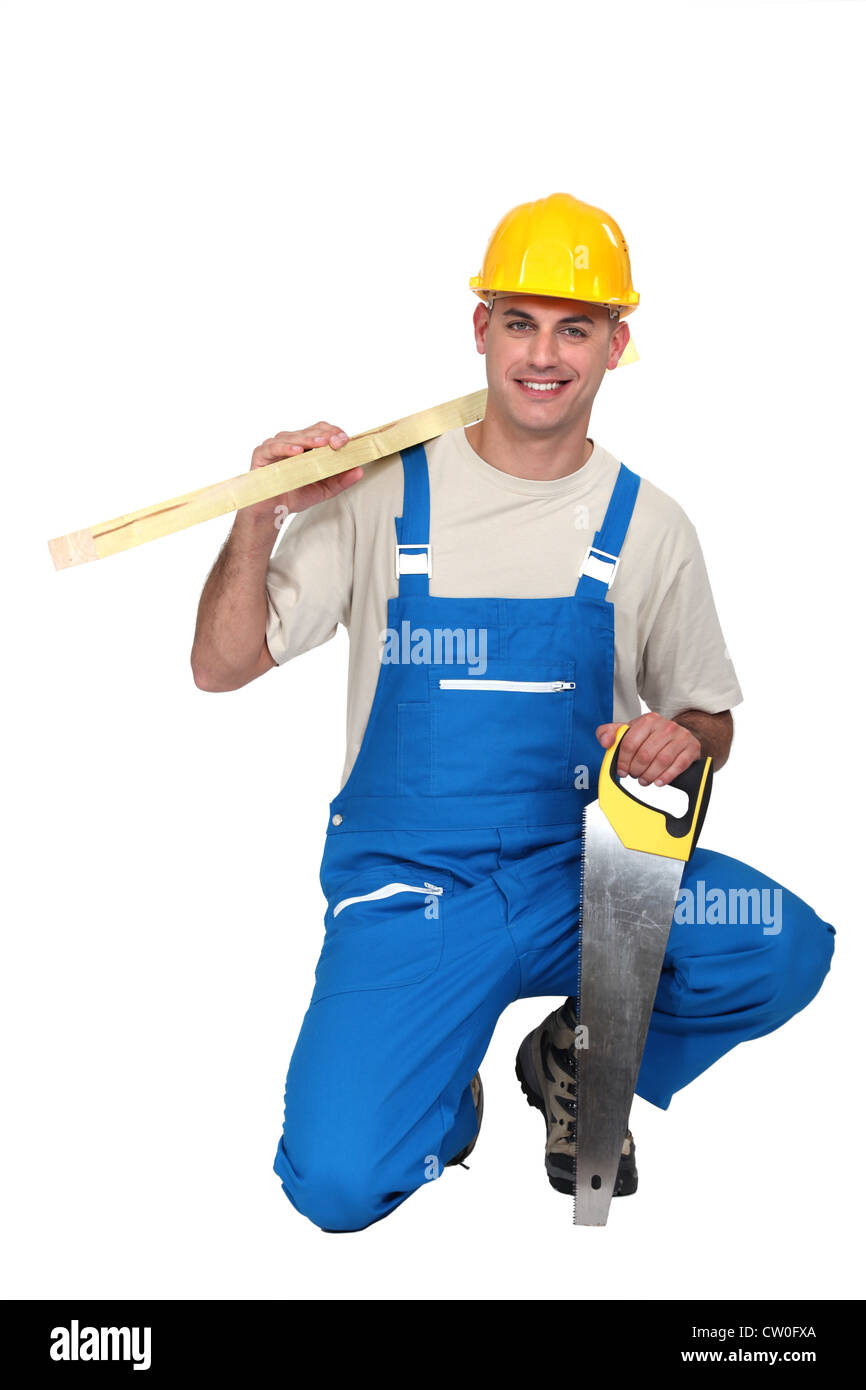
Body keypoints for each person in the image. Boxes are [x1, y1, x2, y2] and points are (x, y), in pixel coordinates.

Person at [190, 192, 835, 1232]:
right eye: (521, 322)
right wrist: (257, 516)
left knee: (774, 940)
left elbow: (707, 717)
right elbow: (219, 666)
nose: (544, 355)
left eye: (574, 327)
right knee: (339, 1185)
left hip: (585, 876)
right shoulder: (378, 496)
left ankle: (575, 1056)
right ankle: (443, 1099)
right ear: (479, 329)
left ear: (615, 345)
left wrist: (685, 740)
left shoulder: (647, 525)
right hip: (413, 893)